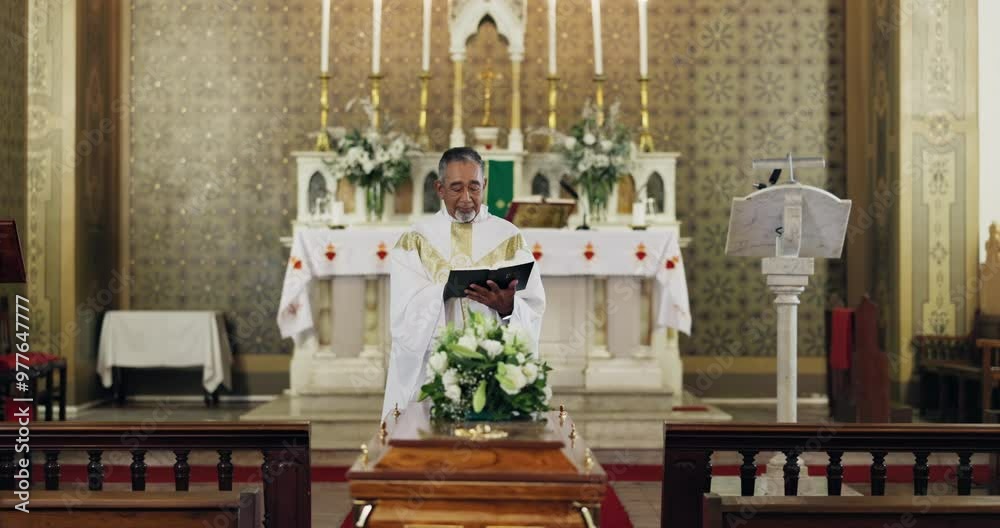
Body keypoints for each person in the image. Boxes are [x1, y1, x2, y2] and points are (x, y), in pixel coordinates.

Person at [381, 147, 546, 421]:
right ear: (440, 188)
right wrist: (444, 291)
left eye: (474, 187)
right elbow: (403, 311)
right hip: (433, 366)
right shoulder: (416, 239)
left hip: (494, 364)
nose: (467, 199)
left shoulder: (509, 236)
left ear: (485, 185)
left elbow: (534, 305)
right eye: (456, 188)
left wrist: (508, 307)